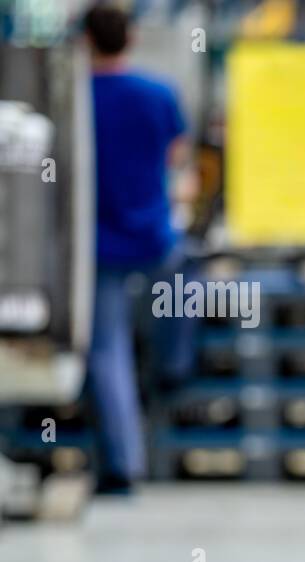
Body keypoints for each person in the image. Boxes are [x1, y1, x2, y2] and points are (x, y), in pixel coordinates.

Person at [83, 3, 190, 493]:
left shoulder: (75, 100)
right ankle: (172, 370)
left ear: (86, 42)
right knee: (186, 289)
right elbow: (177, 157)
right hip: (154, 239)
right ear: (131, 39)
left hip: (100, 246)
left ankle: (124, 464)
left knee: (108, 351)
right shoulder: (159, 94)